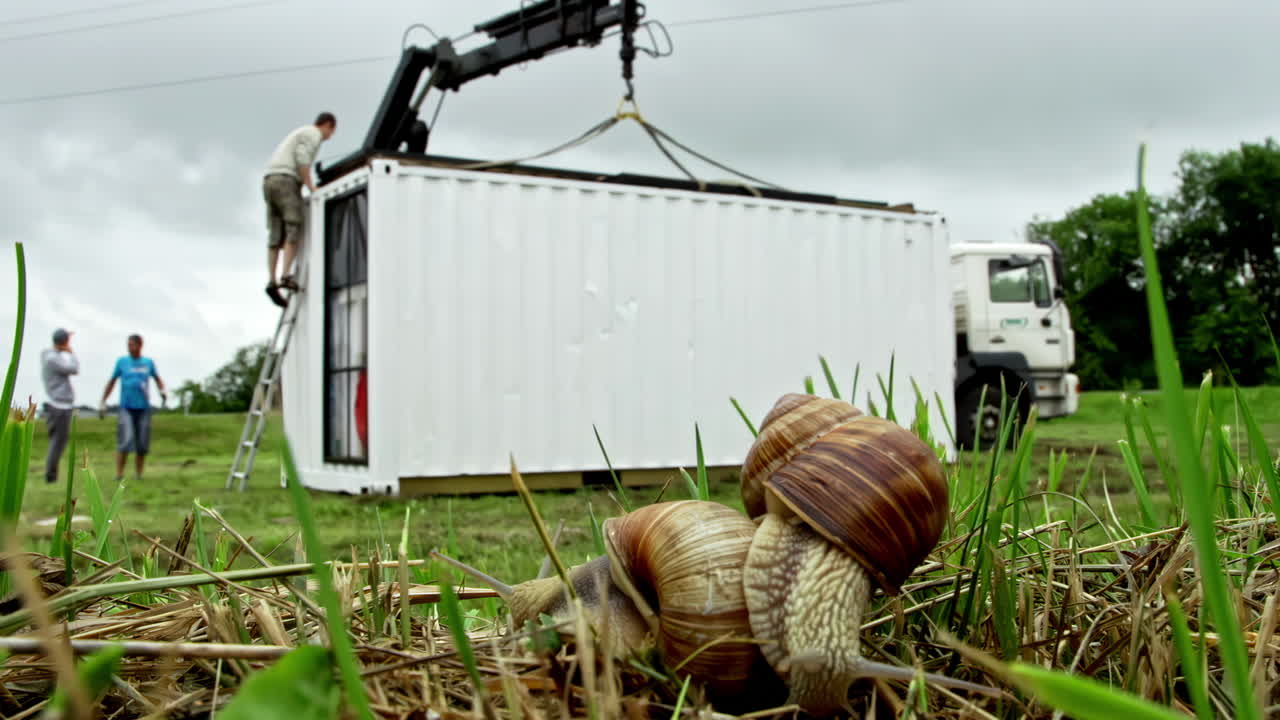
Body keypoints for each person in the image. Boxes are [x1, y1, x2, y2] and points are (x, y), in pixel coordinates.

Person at [263, 111, 337, 308]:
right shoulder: (313, 134)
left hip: (269, 180)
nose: (330, 137)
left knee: (275, 234)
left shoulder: (299, 133)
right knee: (294, 225)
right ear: (328, 126)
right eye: (331, 132)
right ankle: (286, 275)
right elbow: (302, 159)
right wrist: (311, 186)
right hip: (286, 181)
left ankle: (272, 281)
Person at [100, 334, 166, 482]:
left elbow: (157, 379)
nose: (129, 347)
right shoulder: (122, 362)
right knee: (125, 439)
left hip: (143, 408)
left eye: (132, 344)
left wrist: (162, 392)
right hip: (126, 407)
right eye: (128, 344)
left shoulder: (148, 363)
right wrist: (103, 400)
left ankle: (139, 474)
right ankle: (119, 474)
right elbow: (112, 381)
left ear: (140, 345)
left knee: (142, 443)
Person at [41, 328, 79, 484]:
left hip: (57, 404)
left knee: (56, 440)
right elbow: (73, 369)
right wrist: (71, 353)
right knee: (58, 441)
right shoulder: (53, 358)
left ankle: (51, 474)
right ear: (64, 341)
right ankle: (50, 475)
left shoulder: (47, 354)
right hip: (59, 405)